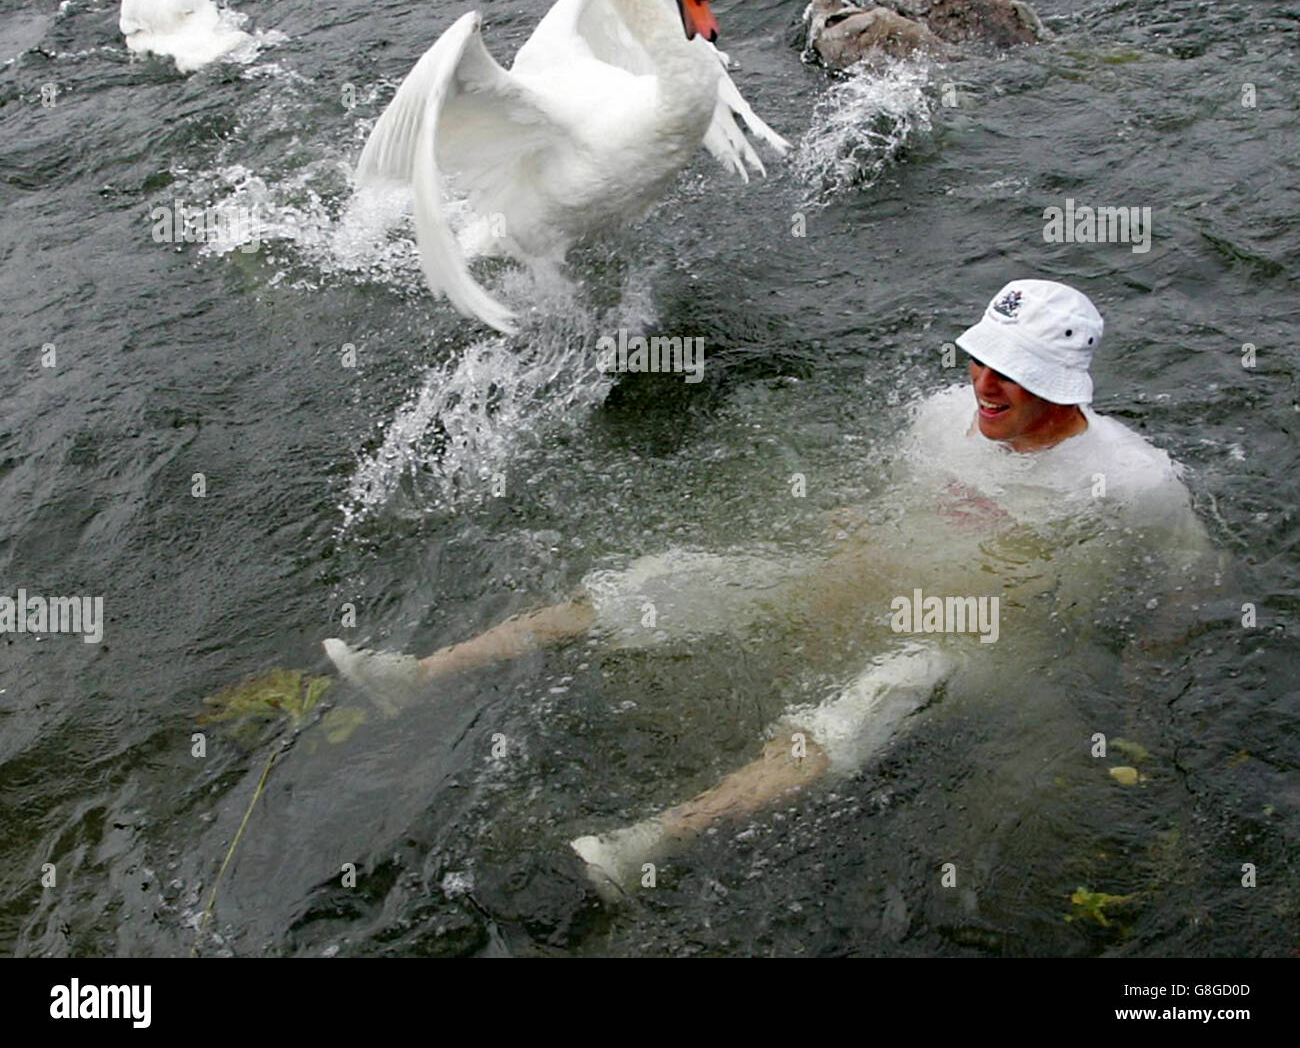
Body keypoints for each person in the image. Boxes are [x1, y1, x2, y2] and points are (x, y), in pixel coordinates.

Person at [324, 279, 1210, 898]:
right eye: (979, 360)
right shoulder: (944, 416)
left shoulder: (1134, 482)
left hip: (987, 634)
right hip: (884, 579)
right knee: (667, 582)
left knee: (886, 690)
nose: (983, 386)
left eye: (1009, 376)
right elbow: (896, 505)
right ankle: (418, 674)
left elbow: (1189, 583)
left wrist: (1136, 690)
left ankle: (646, 844)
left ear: (1059, 385)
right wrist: (851, 545)